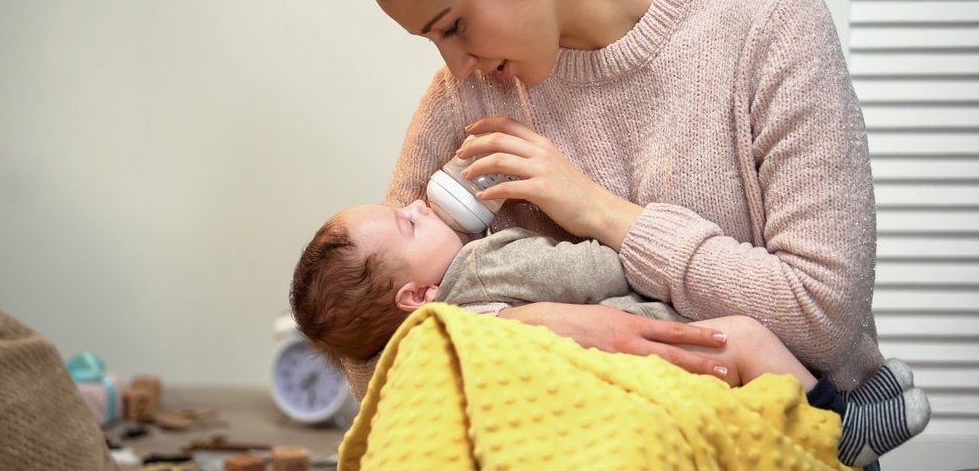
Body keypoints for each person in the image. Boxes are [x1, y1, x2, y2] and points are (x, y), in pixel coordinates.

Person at [345, 0, 885, 405]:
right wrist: (537, 327)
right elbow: (366, 348)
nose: (456, 64)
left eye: (453, 26)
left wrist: (602, 213)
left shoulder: (767, 20)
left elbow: (821, 318)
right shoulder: (465, 98)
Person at [290, 199, 929, 468]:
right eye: (407, 224)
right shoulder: (481, 264)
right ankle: (840, 425)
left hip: (608, 393)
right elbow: (587, 271)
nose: (417, 204)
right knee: (743, 337)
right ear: (416, 297)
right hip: (656, 345)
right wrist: (616, 239)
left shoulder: (432, 337)